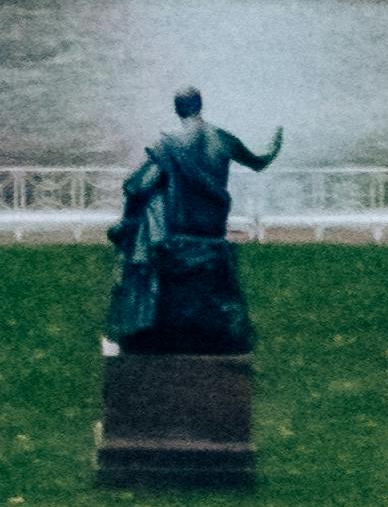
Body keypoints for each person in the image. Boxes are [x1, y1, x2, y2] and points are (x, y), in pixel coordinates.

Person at [105, 87, 274, 352]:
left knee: (149, 204)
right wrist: (275, 145)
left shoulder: (169, 144)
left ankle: (139, 320)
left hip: (179, 232)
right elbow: (260, 162)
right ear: (200, 106)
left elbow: (137, 186)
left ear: (177, 109)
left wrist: (127, 222)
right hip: (212, 231)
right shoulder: (224, 139)